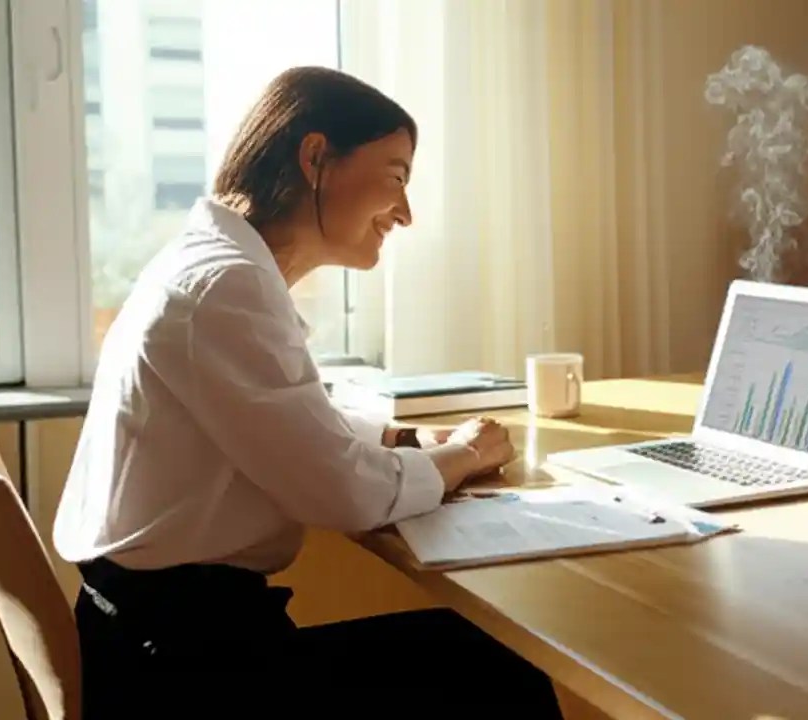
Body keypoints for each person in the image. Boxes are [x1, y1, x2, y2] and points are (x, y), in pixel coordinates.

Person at [54, 66, 563, 718]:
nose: (405, 212)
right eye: (398, 176)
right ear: (316, 157)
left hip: (157, 637)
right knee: (497, 672)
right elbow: (346, 492)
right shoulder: (226, 288)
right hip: (181, 670)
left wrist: (402, 438)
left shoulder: (213, 267)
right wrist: (460, 456)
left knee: (473, 659)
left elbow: (289, 414)